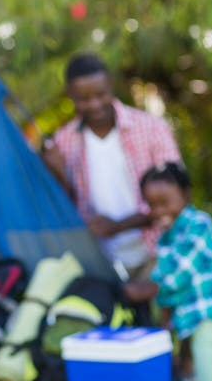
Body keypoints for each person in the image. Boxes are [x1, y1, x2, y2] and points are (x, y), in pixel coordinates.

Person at [41, 53, 182, 279]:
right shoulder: (63, 141)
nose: (95, 104)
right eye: (84, 99)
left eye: (101, 94)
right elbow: (63, 210)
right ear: (71, 96)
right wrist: (57, 172)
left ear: (111, 85)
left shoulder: (151, 127)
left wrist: (118, 226)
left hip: (158, 251)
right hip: (104, 262)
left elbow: (178, 197)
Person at [124, 162, 212, 381]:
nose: (159, 211)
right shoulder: (166, 239)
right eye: (152, 205)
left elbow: (180, 273)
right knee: (192, 363)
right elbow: (168, 293)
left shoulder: (198, 223)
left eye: (165, 202)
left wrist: (147, 288)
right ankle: (189, 373)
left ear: (186, 195)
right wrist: (164, 324)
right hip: (189, 315)